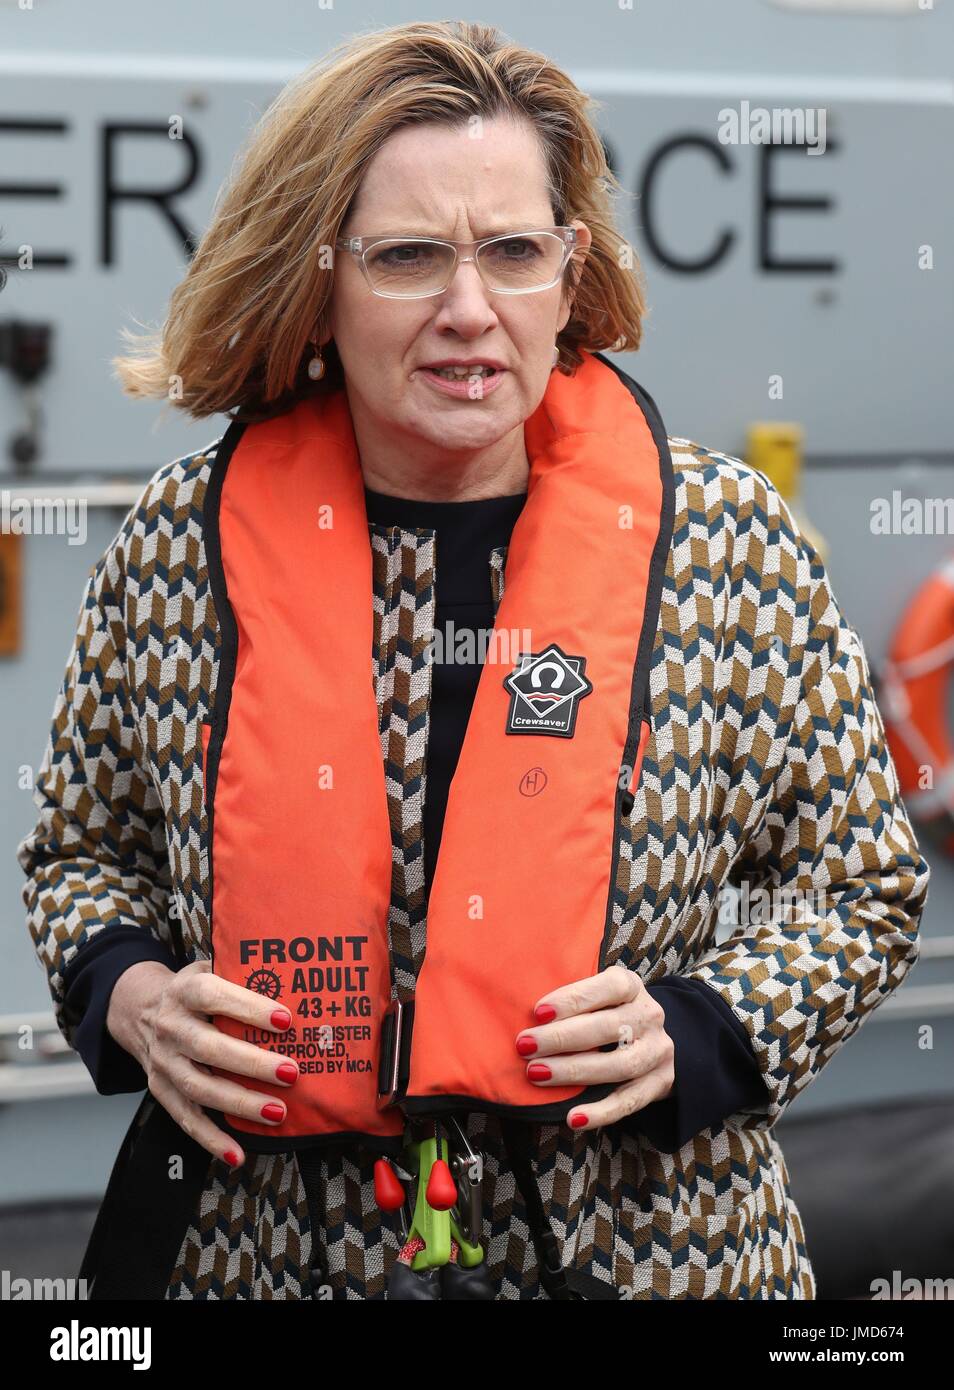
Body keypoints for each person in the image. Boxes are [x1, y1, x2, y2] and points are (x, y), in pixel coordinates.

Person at [16, 20, 929, 1300]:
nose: (468, 311)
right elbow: (79, 849)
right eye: (406, 258)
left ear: (571, 273)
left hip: (650, 1247)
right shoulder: (182, 545)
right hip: (269, 1255)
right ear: (316, 281)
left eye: (512, 251)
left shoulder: (727, 542)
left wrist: (710, 1029)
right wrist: (130, 994)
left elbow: (863, 882)